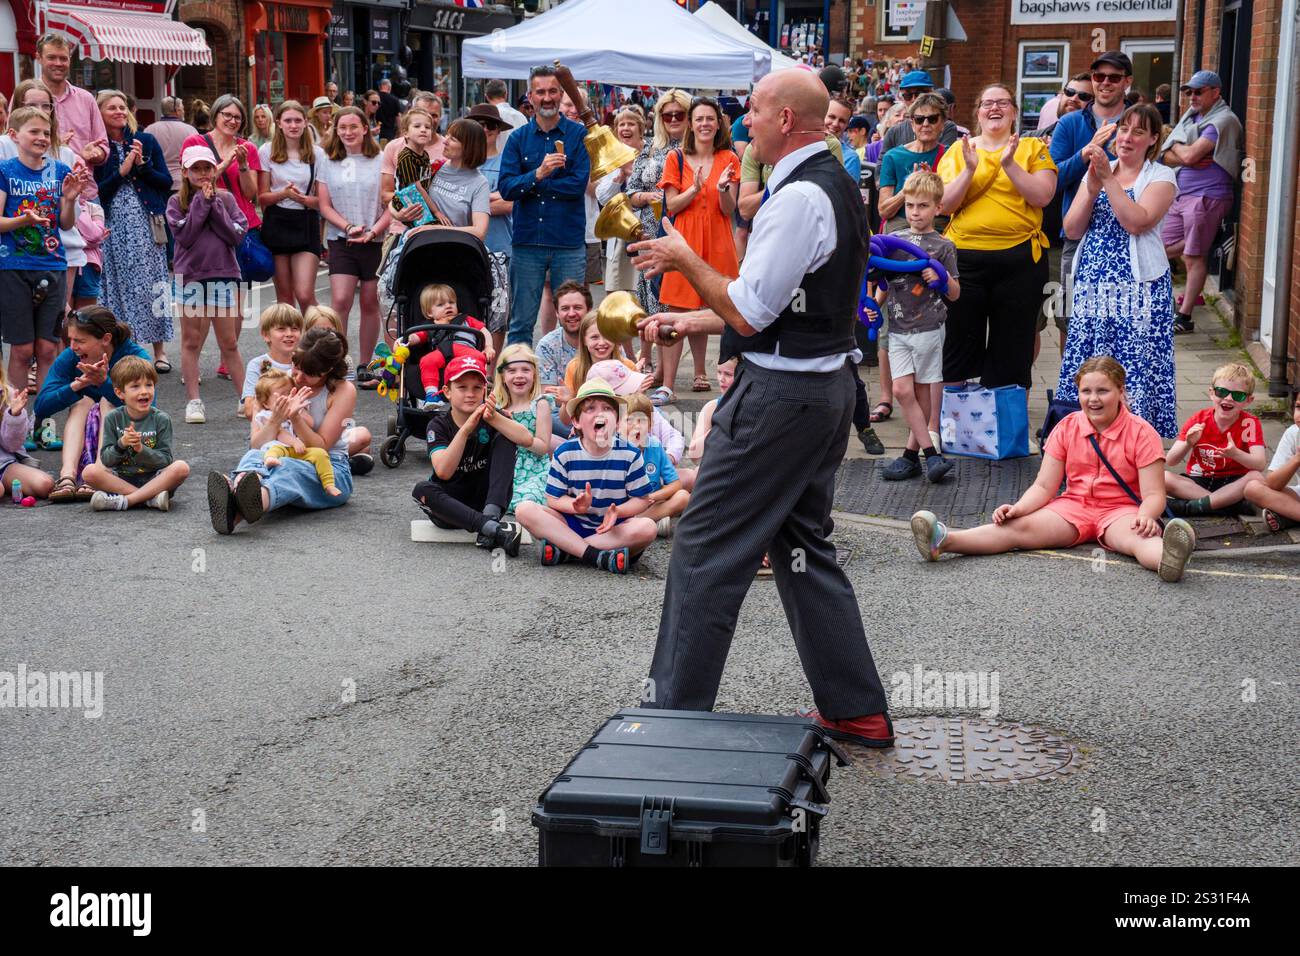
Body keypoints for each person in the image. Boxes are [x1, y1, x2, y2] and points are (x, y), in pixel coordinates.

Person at [628, 67, 894, 747]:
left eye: (754, 111)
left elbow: (749, 309)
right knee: (804, 545)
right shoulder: (828, 183)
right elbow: (783, 303)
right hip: (822, 386)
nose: (745, 121)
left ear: (784, 121)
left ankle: (671, 723)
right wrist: (695, 324)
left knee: (703, 549)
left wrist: (684, 257)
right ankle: (854, 708)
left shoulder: (799, 197)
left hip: (780, 399)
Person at [911, 356, 1197, 582]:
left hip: (1121, 510)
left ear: (1121, 392)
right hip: (1073, 507)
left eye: (1103, 391)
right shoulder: (1067, 426)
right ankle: (942, 540)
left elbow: (1154, 493)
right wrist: (1019, 508)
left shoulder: (1142, 432)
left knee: (1139, 538)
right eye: (1086, 391)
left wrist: (1147, 516)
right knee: (1014, 528)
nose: (1093, 399)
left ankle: (1168, 560)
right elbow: (1044, 486)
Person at [1056, 104, 1177, 437]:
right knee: (1090, 357)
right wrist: (1092, 187)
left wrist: (1108, 181)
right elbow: (1072, 228)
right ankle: (1085, 437)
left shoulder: (1161, 176)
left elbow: (1136, 221)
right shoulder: (1099, 170)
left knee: (1134, 361)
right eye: (1124, 128)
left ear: (1152, 139)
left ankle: (1135, 442)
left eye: (1138, 131)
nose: (1127, 137)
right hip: (1093, 281)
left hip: (1139, 286)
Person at [937, 84, 1057, 390]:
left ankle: (1007, 432)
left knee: (1013, 350)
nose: (995, 108)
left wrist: (1009, 163)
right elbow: (944, 204)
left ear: (1014, 112)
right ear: (977, 112)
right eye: (987, 103)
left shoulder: (1033, 148)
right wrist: (969, 170)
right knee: (958, 346)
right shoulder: (958, 150)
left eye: (1002, 103)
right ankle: (958, 429)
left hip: (1019, 262)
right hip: (964, 262)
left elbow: (1043, 195)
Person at [207, 328, 357, 534]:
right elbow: (257, 444)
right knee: (255, 456)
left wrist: (295, 418)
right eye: (296, 367)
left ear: (328, 369)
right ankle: (240, 492)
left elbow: (321, 445)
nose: (299, 377)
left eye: (309, 374)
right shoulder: (279, 382)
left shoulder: (342, 390)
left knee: (286, 468)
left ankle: (238, 509)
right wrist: (276, 419)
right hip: (281, 454)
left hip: (329, 470)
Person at [515, 379, 657, 572]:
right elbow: (553, 499)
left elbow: (641, 500)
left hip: (613, 528)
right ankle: (596, 555)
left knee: (648, 527)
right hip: (572, 522)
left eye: (607, 408)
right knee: (524, 510)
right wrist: (573, 506)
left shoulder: (630, 453)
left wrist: (618, 512)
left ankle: (568, 549)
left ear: (616, 419)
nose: (599, 413)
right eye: (590, 408)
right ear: (576, 421)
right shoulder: (565, 452)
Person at [654, 95, 740, 404]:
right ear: (691, 124)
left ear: (719, 124)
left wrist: (720, 191)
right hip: (686, 236)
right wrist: (695, 187)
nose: (705, 124)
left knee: (714, 307)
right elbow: (672, 205)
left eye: (710, 119)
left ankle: (709, 372)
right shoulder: (675, 158)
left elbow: (730, 209)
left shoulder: (729, 157)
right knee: (678, 309)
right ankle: (667, 384)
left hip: (718, 237)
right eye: (699, 119)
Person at [499, 65, 591, 347]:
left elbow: (577, 186)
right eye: (541, 92)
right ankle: (520, 384)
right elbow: (507, 188)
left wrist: (535, 185)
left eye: (553, 91)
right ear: (531, 96)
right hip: (528, 242)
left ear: (561, 93)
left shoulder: (578, 135)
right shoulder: (517, 138)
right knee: (521, 322)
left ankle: (573, 384)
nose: (547, 97)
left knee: (575, 321)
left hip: (568, 242)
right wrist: (538, 174)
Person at [877, 171, 960, 483]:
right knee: (901, 390)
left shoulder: (944, 246)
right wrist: (873, 306)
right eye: (910, 205)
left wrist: (939, 278)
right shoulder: (894, 241)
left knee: (923, 392)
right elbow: (884, 280)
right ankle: (931, 454)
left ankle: (911, 456)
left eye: (923, 206)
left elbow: (955, 293)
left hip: (929, 328)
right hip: (897, 328)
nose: (915, 212)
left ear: (937, 208)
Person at [0, 106, 86, 404]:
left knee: (48, 348)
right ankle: (16, 418)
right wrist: (24, 221)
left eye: (46, 133)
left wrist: (71, 200)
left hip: (52, 264)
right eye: (34, 131)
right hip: (13, 266)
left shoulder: (60, 170)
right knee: (22, 350)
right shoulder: (5, 171)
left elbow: (65, 223)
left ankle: (44, 421)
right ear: (14, 135)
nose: (41, 138)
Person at [1050, 53, 1132, 341]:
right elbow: (1054, 179)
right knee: (1071, 325)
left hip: (1128, 235)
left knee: (1126, 324)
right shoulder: (1071, 123)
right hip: (1079, 234)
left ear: (1127, 82)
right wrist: (1086, 151)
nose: (1105, 83)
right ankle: (1073, 386)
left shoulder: (1139, 122)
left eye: (1114, 77)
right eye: (1099, 77)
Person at [410, 352, 525, 555]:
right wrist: (465, 430)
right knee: (421, 489)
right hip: (452, 508)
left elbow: (527, 440)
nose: (470, 394)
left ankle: (489, 522)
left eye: (477, 388)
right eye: (462, 387)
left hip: (487, 501)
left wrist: (497, 421)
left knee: (507, 437)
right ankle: (492, 529)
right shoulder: (437, 425)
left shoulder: (492, 417)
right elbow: (443, 472)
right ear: (447, 391)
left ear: (485, 390)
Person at [34, 306, 151, 502]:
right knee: (83, 402)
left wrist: (104, 384)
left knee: (107, 401)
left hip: (130, 443)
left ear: (105, 339)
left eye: (79, 341)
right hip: (86, 441)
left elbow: (146, 409)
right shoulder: (72, 357)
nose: (73, 347)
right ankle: (67, 476)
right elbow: (41, 407)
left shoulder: (135, 357)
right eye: (70, 340)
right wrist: (75, 387)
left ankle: (99, 473)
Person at [93, 90, 173, 371]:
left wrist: (143, 166)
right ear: (99, 113)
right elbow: (97, 194)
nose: (118, 111)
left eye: (121, 106)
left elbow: (166, 182)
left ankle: (159, 350)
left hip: (146, 222)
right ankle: (125, 348)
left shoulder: (146, 140)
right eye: (110, 108)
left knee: (153, 284)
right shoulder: (98, 149)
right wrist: (122, 172)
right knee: (116, 285)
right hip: (112, 224)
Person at [168, 144, 247, 425]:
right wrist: (202, 202)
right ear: (186, 172)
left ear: (215, 170)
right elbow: (186, 235)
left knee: (230, 342)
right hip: (190, 278)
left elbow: (235, 234)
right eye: (196, 169)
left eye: (207, 168)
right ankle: (194, 401)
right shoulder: (176, 203)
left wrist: (213, 204)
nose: (202, 173)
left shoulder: (225, 199)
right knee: (190, 341)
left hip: (224, 276)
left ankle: (245, 399)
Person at [1160, 70, 1242, 335]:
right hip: (1181, 192)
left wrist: (1180, 151)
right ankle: (1212, 237)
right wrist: (1182, 154)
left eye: (1198, 91)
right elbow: (1167, 153)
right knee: (1160, 247)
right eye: (1189, 92)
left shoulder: (1224, 120)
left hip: (1208, 196)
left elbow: (1186, 154)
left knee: (1193, 256)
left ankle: (1184, 318)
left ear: (1215, 92)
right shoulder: (1192, 117)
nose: (1192, 96)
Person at [315, 106, 390, 374]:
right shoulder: (327, 159)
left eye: (353, 127)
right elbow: (324, 205)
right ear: (335, 130)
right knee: (341, 300)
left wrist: (373, 230)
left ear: (365, 128)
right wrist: (347, 226)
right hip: (342, 238)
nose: (347, 132)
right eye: (342, 127)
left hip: (374, 238)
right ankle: (339, 358)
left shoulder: (381, 159)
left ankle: (365, 363)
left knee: (370, 302)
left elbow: (391, 204)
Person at [81, 355, 189, 511]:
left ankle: (126, 501)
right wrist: (121, 444)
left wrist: (140, 449)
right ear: (120, 393)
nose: (144, 391)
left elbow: (165, 460)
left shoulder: (161, 419)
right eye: (135, 386)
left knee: (181, 467)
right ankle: (149, 499)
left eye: (149, 385)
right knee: (89, 472)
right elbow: (106, 460)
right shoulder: (113, 418)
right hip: (121, 480)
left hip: (155, 479)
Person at [1164, 363, 1266, 516]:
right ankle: (1226, 506)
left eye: (1237, 395)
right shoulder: (1198, 420)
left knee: (1256, 478)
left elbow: (1259, 464)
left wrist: (1236, 454)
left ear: (1248, 400)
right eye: (1221, 392)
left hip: (1234, 482)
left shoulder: (1249, 423)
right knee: (1163, 477)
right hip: (1199, 481)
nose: (1228, 398)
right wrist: (1188, 443)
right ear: (1211, 393)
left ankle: (1190, 507)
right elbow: (1171, 461)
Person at [627, 89, 690, 323]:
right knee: (651, 297)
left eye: (679, 115)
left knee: (679, 298)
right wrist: (646, 197)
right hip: (649, 232)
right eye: (667, 115)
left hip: (682, 231)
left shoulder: (697, 148)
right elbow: (631, 191)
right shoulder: (651, 147)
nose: (673, 119)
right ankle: (653, 356)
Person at [258, 100, 325, 311]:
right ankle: (292, 344)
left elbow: (323, 202)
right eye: (288, 120)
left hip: (305, 222)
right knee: (285, 299)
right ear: (278, 123)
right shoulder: (267, 151)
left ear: (306, 122)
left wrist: (301, 199)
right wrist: (284, 194)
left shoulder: (317, 154)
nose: (293, 125)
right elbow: (262, 197)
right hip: (277, 222)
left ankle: (322, 339)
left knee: (305, 295)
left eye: (298, 120)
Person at [470, 103, 516, 355]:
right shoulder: (461, 162)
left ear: (498, 130)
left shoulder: (507, 161)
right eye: (479, 124)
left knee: (498, 315)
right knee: (468, 312)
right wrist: (490, 199)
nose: (485, 129)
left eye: (490, 125)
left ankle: (491, 372)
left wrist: (475, 202)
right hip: (467, 247)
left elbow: (512, 203)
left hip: (501, 247)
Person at [37, 33, 108, 198]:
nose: (58, 63)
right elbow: (14, 144)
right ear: (39, 58)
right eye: (52, 58)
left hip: (85, 194)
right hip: (39, 192)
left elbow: (103, 145)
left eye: (63, 58)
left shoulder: (86, 99)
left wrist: (97, 154)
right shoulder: (26, 97)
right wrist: (54, 148)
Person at [251, 368, 341, 496]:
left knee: (320, 453)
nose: (288, 398)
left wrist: (298, 412)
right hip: (279, 448)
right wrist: (293, 441)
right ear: (266, 403)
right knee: (270, 450)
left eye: (290, 393)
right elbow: (279, 432)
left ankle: (329, 484)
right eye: (282, 395)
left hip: (296, 450)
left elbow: (311, 423)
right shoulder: (266, 414)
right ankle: (255, 479)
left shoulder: (297, 408)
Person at [401, 283, 492, 408]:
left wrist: (488, 347)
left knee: (480, 358)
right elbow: (416, 337)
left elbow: (484, 331)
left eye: (451, 302)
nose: (448, 306)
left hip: (466, 350)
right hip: (443, 351)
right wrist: (405, 340)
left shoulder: (466, 319)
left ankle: (480, 393)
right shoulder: (430, 326)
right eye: (440, 304)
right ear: (429, 313)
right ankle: (432, 395)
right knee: (427, 361)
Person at [492, 343, 553, 514]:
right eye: (512, 371)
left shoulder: (540, 404)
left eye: (525, 370)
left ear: (534, 374)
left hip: (533, 469)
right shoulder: (496, 406)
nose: (519, 375)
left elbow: (543, 447)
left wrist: (520, 437)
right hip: (502, 467)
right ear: (503, 376)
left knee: (527, 499)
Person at [594, 108, 649, 297]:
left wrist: (632, 174)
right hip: (619, 235)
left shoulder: (651, 153)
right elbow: (602, 197)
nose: (626, 128)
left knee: (644, 291)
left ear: (640, 128)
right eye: (621, 124)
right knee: (616, 294)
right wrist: (618, 178)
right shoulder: (612, 155)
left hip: (645, 231)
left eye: (631, 124)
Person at [878, 92, 949, 234]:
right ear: (912, 124)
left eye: (933, 119)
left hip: (936, 228)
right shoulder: (893, 156)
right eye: (919, 119)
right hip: (900, 228)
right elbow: (884, 211)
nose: (925, 124)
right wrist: (910, 187)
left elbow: (951, 206)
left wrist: (930, 185)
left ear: (942, 124)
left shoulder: (950, 155)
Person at [620, 390, 689, 535]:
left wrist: (653, 497)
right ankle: (649, 522)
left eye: (642, 421)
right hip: (624, 507)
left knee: (683, 496)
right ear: (618, 425)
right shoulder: (615, 449)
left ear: (650, 426)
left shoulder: (655, 446)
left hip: (651, 503)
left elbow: (675, 484)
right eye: (629, 420)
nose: (636, 426)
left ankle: (642, 521)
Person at [1244, 394, 1300, 531]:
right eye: (1299, 407)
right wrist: (1297, 459)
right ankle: (1291, 515)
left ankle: (1288, 517)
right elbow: (1273, 483)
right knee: (1253, 488)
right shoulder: (1293, 434)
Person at [1, 361, 55, 500]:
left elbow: (11, 445)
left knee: (45, 484)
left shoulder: (6, 394)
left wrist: (15, 416)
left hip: (4, 462)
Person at [242, 303, 304, 418]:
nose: (289, 334)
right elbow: (249, 411)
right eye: (281, 329)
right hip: (269, 428)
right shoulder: (258, 365)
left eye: (294, 329)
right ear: (266, 335)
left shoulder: (305, 362)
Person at [878, 70, 963, 153]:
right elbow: (882, 165)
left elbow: (945, 162)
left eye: (919, 94)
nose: (914, 99)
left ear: (931, 94)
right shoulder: (894, 132)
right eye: (908, 95)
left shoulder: (947, 127)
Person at [143, 96, 198, 199]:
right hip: (183, 184)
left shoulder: (149, 130)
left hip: (158, 183)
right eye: (182, 109)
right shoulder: (190, 131)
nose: (183, 111)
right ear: (177, 111)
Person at [376, 79, 402, 143]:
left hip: (375, 130)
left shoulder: (374, 98)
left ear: (379, 87)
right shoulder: (395, 100)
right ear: (389, 87)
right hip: (389, 132)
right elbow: (398, 117)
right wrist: (400, 131)